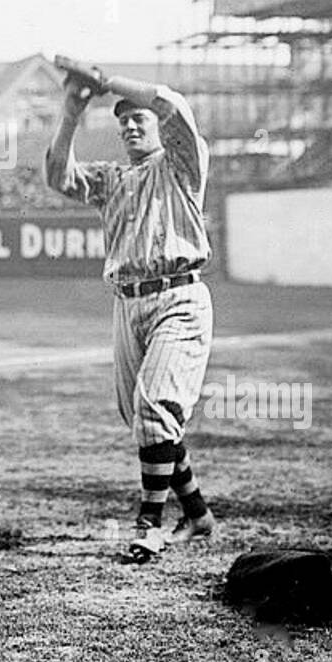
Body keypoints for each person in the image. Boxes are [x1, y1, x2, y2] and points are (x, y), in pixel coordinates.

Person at [44, 66, 217, 563]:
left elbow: (174, 103)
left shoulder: (184, 162)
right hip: (128, 302)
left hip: (179, 296)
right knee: (145, 420)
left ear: (156, 124)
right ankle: (198, 515)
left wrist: (108, 80)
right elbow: (58, 177)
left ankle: (149, 526)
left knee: (154, 408)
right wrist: (73, 110)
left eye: (138, 118)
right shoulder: (113, 179)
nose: (131, 127)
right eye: (123, 123)